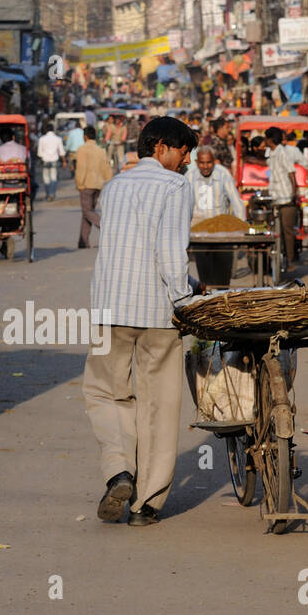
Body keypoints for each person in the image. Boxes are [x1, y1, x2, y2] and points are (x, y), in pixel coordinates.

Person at [84, 116, 200, 527]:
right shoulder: (175, 187)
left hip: (109, 309)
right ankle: (147, 502)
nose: (186, 162)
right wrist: (187, 300)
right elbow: (171, 252)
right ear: (162, 147)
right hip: (158, 313)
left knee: (106, 393)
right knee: (160, 403)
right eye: (184, 152)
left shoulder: (114, 187)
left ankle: (119, 471)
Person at [186, 146, 245, 285]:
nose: (205, 166)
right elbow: (185, 206)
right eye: (202, 163)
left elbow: (236, 201)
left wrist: (241, 228)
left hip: (222, 234)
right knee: (205, 278)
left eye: (209, 163)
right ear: (196, 162)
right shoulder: (189, 177)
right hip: (199, 235)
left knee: (223, 277)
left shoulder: (223, 174)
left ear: (214, 161)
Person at [267, 129, 306, 272]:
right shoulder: (269, 152)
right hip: (273, 196)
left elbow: (291, 173)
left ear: (270, 139)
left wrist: (293, 192)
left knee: (287, 230)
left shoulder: (282, 153)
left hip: (285, 197)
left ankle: (290, 260)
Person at [73, 126, 112, 249]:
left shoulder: (82, 149)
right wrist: (109, 181)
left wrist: (79, 183)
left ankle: (105, 228)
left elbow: (82, 168)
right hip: (98, 185)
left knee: (87, 211)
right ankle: (83, 242)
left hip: (86, 184)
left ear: (85, 136)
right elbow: (106, 168)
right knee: (88, 212)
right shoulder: (101, 150)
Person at [37, 123, 63, 202]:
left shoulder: (42, 139)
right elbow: (61, 152)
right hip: (54, 160)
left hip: (45, 160)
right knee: (54, 178)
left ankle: (48, 194)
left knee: (46, 178)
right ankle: (52, 194)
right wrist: (64, 161)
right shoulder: (58, 139)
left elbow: (39, 153)